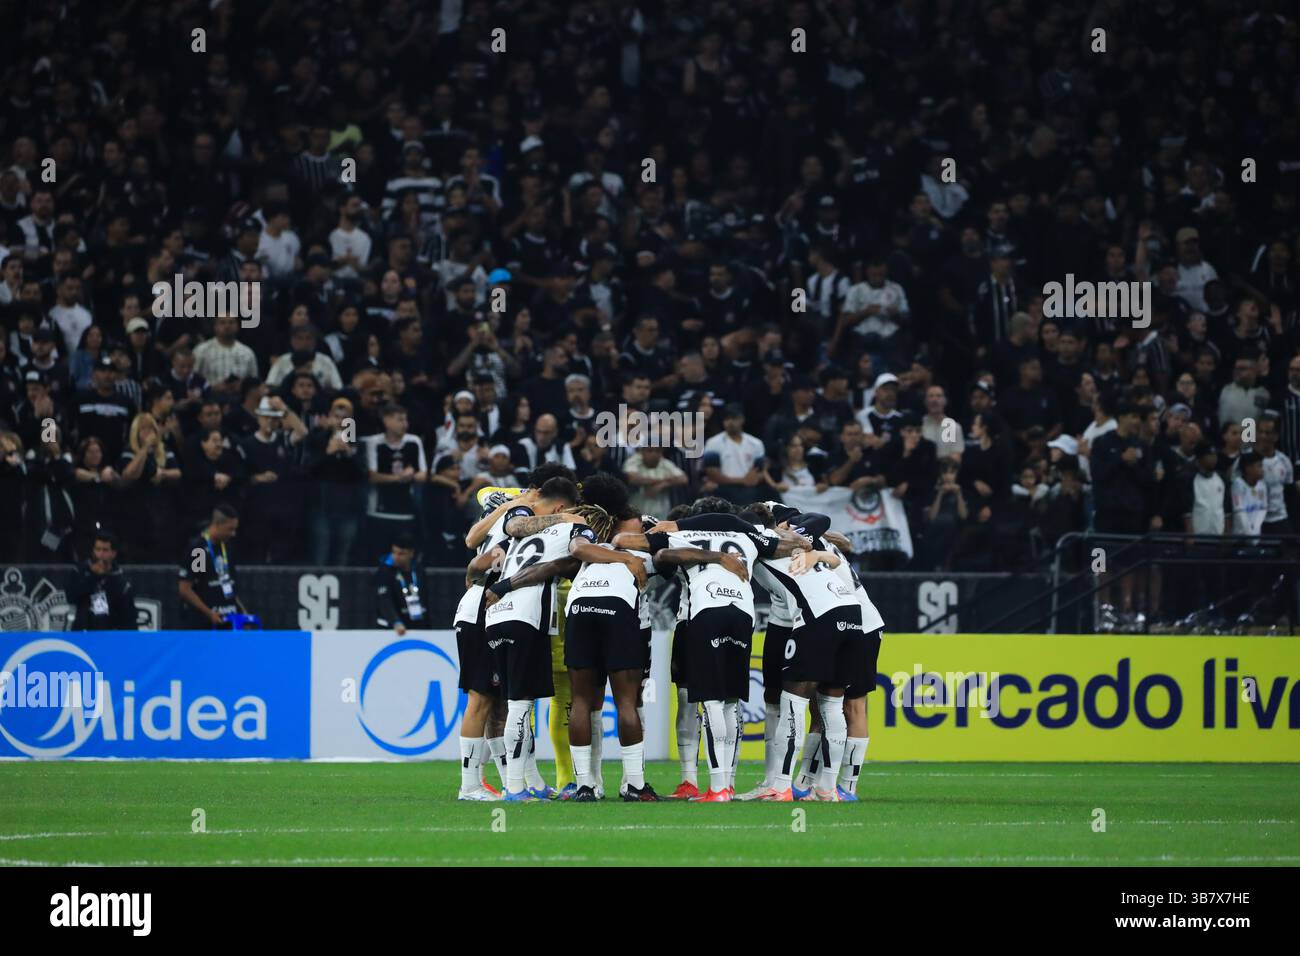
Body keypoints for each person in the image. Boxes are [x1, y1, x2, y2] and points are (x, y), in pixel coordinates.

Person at [178, 504, 246, 630]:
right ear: (217, 524)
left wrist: (242, 612)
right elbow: (185, 589)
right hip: (204, 625)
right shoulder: (200, 550)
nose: (233, 534)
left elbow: (228, 584)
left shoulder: (227, 547)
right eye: (230, 529)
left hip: (227, 621)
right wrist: (209, 613)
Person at [68, 531, 137, 630]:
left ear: (113, 553)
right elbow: (71, 597)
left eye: (105, 550)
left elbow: (128, 616)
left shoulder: (120, 580)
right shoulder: (80, 571)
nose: (100, 554)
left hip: (108, 635)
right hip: (81, 632)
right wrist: (93, 576)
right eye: (98, 549)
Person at [374, 532, 428, 633]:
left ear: (411, 553)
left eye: (401, 554)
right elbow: (384, 600)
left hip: (416, 625)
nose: (396, 557)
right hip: (391, 628)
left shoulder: (418, 570)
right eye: (394, 552)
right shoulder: (385, 571)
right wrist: (396, 621)